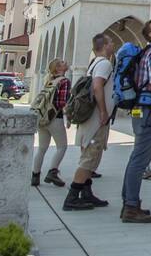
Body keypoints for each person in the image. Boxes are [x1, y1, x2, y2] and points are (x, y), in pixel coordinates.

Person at [120, 19, 151, 223]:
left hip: (141, 111)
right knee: (140, 160)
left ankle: (130, 203)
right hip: (149, 111)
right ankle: (131, 206)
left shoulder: (149, 51)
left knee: (136, 158)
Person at [64, 34, 115, 212]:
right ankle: (72, 196)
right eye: (110, 42)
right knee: (90, 157)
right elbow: (97, 86)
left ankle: (86, 192)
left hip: (90, 118)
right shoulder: (104, 64)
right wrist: (103, 111)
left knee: (90, 155)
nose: (113, 44)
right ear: (105, 46)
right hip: (96, 119)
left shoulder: (94, 63)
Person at [31, 59, 70, 187]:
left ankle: (35, 175)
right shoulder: (64, 81)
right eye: (63, 62)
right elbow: (62, 102)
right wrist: (69, 114)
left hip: (43, 118)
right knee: (62, 146)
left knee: (42, 148)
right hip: (55, 118)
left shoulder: (49, 81)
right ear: (59, 68)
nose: (66, 63)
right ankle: (53, 172)